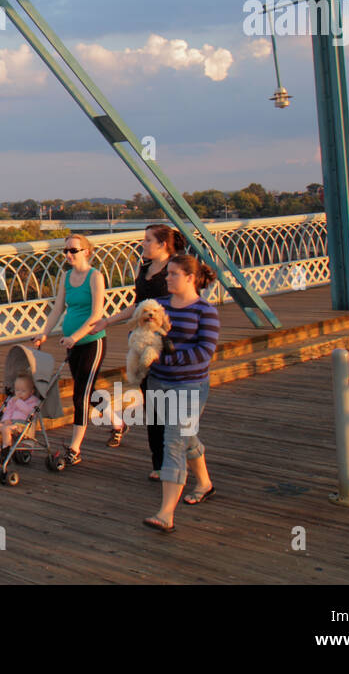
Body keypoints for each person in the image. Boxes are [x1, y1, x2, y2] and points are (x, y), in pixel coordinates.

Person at [95, 224, 187, 481]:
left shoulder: (175, 270)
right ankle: (159, 462)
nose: (143, 244)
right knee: (152, 403)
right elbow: (137, 306)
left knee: (170, 405)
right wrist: (107, 321)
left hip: (165, 344)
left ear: (163, 245)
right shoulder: (144, 268)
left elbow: (182, 305)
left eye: (148, 240)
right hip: (140, 340)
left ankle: (179, 459)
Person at [143, 253, 220, 533]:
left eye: (173, 273)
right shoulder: (158, 306)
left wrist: (161, 360)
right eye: (168, 273)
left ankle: (165, 514)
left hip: (189, 386)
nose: (167, 277)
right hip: (158, 383)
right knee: (183, 436)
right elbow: (138, 332)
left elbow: (204, 353)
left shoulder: (205, 311)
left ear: (190, 278)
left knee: (172, 442)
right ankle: (204, 484)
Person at [33, 234, 121, 464]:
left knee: (80, 393)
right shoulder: (66, 276)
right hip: (72, 344)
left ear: (86, 252)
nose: (68, 255)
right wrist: (44, 331)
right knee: (87, 391)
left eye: (73, 250)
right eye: (66, 251)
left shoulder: (95, 277)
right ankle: (117, 423)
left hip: (92, 342)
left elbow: (96, 313)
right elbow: (58, 308)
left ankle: (74, 448)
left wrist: (75, 336)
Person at [0, 372, 41, 458]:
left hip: (21, 425)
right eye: (17, 390)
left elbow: (28, 411)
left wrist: (18, 402)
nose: (19, 393)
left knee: (6, 429)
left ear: (31, 391)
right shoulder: (13, 399)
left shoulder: (33, 401)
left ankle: (5, 452)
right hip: (10, 423)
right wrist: (6, 419)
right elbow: (8, 411)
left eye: (23, 391)